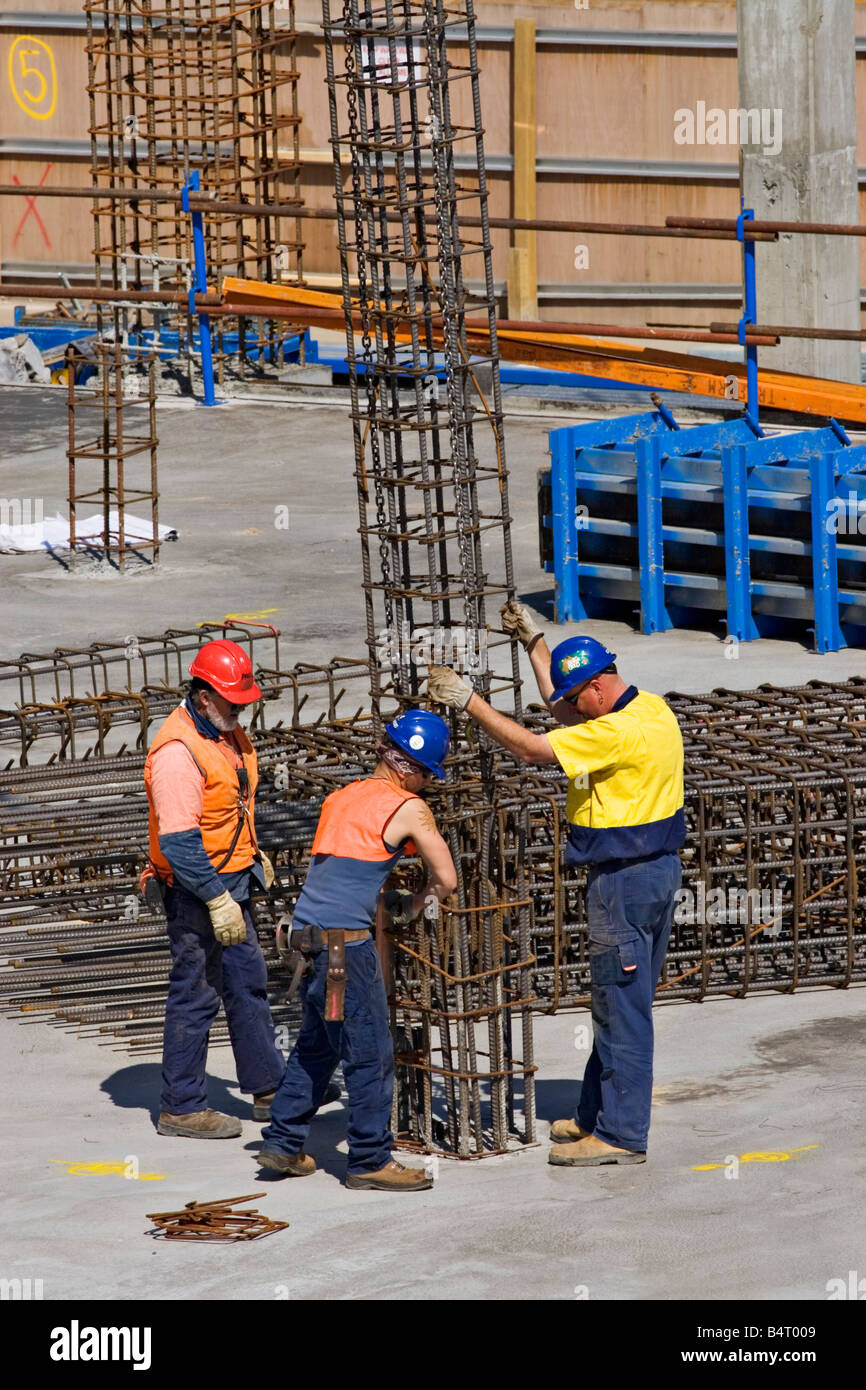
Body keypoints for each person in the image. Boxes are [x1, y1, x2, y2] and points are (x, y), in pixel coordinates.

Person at [426, 601, 684, 1167]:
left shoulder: (613, 734)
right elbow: (563, 709)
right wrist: (534, 643)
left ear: (596, 688)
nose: (569, 708)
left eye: (576, 697)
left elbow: (534, 746)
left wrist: (469, 702)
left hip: (623, 881)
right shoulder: (651, 711)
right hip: (657, 875)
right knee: (616, 1005)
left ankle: (620, 1136)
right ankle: (596, 1116)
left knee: (623, 1010)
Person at [257, 709, 457, 1191]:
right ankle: (369, 1160)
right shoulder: (408, 807)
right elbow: (447, 879)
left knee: (317, 1047)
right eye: (427, 776)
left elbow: (346, 868)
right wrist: (414, 903)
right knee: (370, 1056)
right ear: (410, 768)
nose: (426, 786)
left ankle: (283, 1143)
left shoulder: (339, 797)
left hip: (304, 942)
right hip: (347, 950)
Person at [143, 639, 286, 1138]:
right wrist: (216, 897)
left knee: (247, 982)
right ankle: (181, 1106)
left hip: (231, 878)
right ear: (204, 696)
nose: (242, 709)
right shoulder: (178, 753)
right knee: (196, 992)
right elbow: (179, 843)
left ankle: (269, 1088)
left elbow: (228, 803)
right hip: (196, 888)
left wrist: (249, 853)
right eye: (233, 701)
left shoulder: (222, 731)